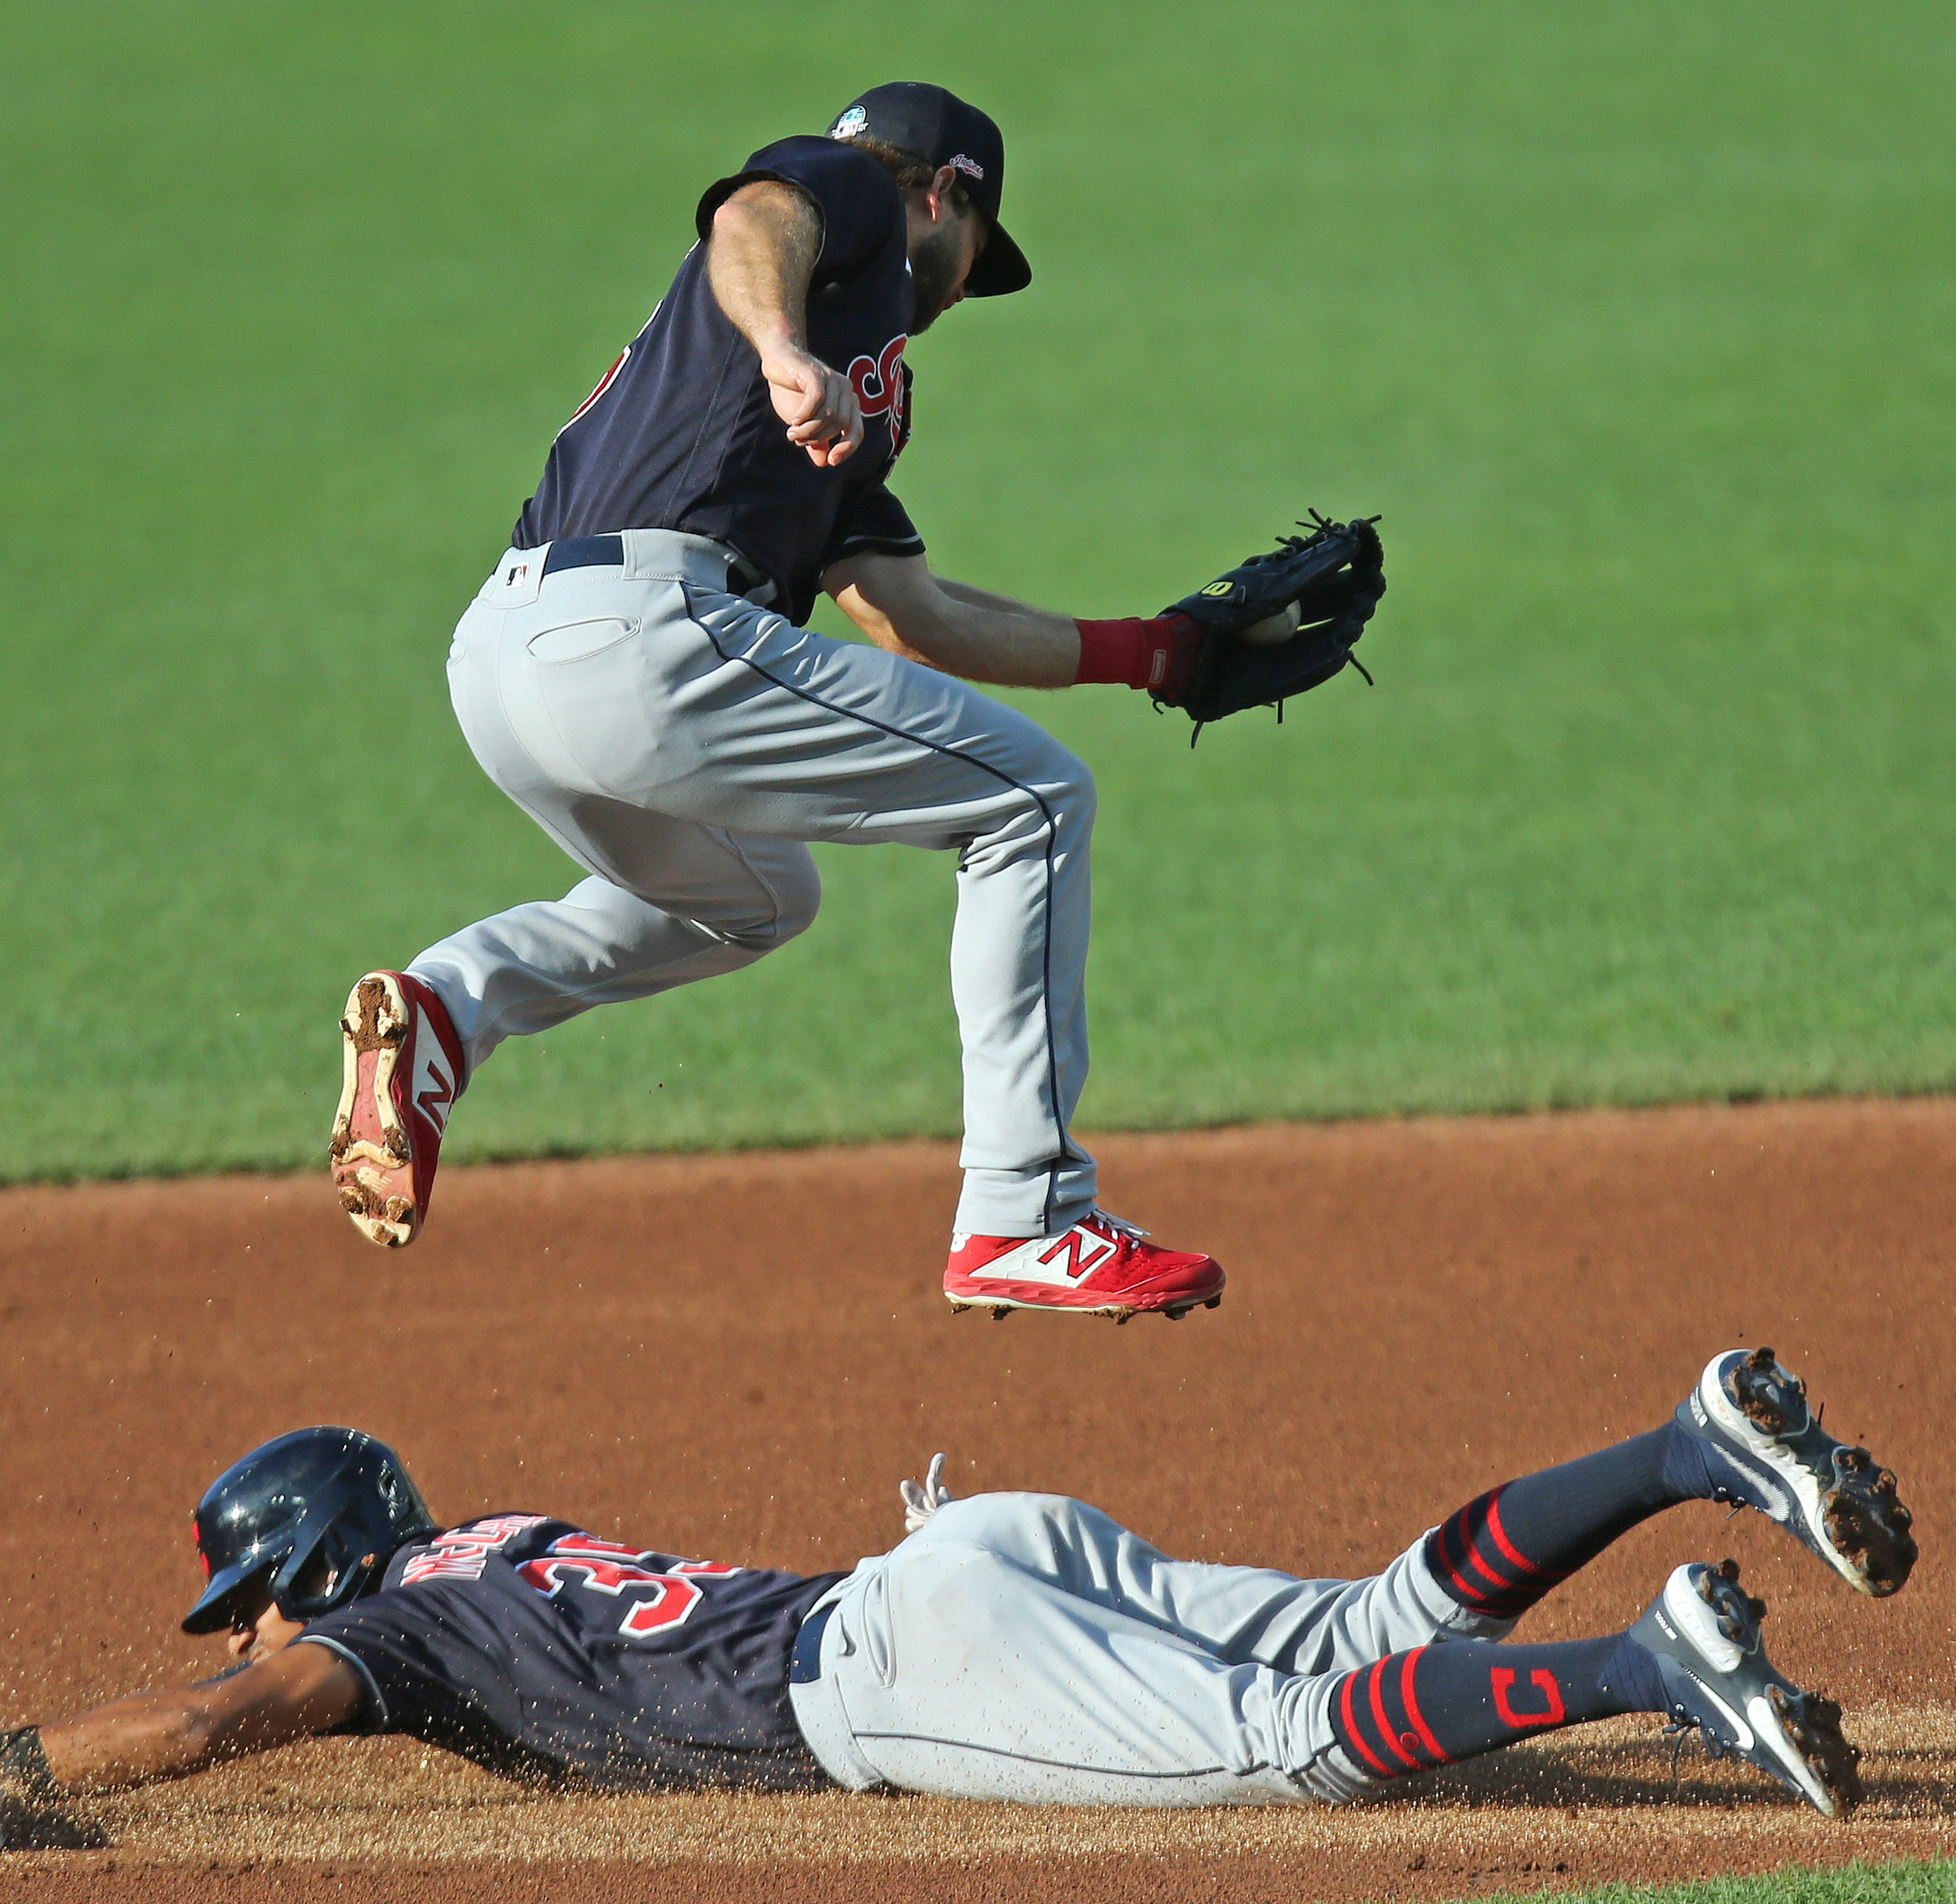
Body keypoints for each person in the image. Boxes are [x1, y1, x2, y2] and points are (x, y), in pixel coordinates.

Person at [326, 80, 1320, 1320]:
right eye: (974, 259)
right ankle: (1027, 1212)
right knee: (1036, 804)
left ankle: (442, 1010)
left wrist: (1153, 655)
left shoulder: (863, 391)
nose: (962, 292)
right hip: (642, 636)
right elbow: (750, 219)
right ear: (944, 194)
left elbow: (913, 616)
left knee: (755, 897)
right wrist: (784, 348)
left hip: (509, 660)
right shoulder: (845, 205)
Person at [0, 1348, 1915, 1816]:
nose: (247, 1636)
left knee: (1295, 1748)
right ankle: (1679, 1445)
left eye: (249, 1595)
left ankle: (1659, 1655)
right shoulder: (478, 1535)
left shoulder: (377, 1624)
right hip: (968, 1543)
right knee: (1366, 1624)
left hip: (891, 1665)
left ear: (307, 1566)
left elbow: (225, 1717)